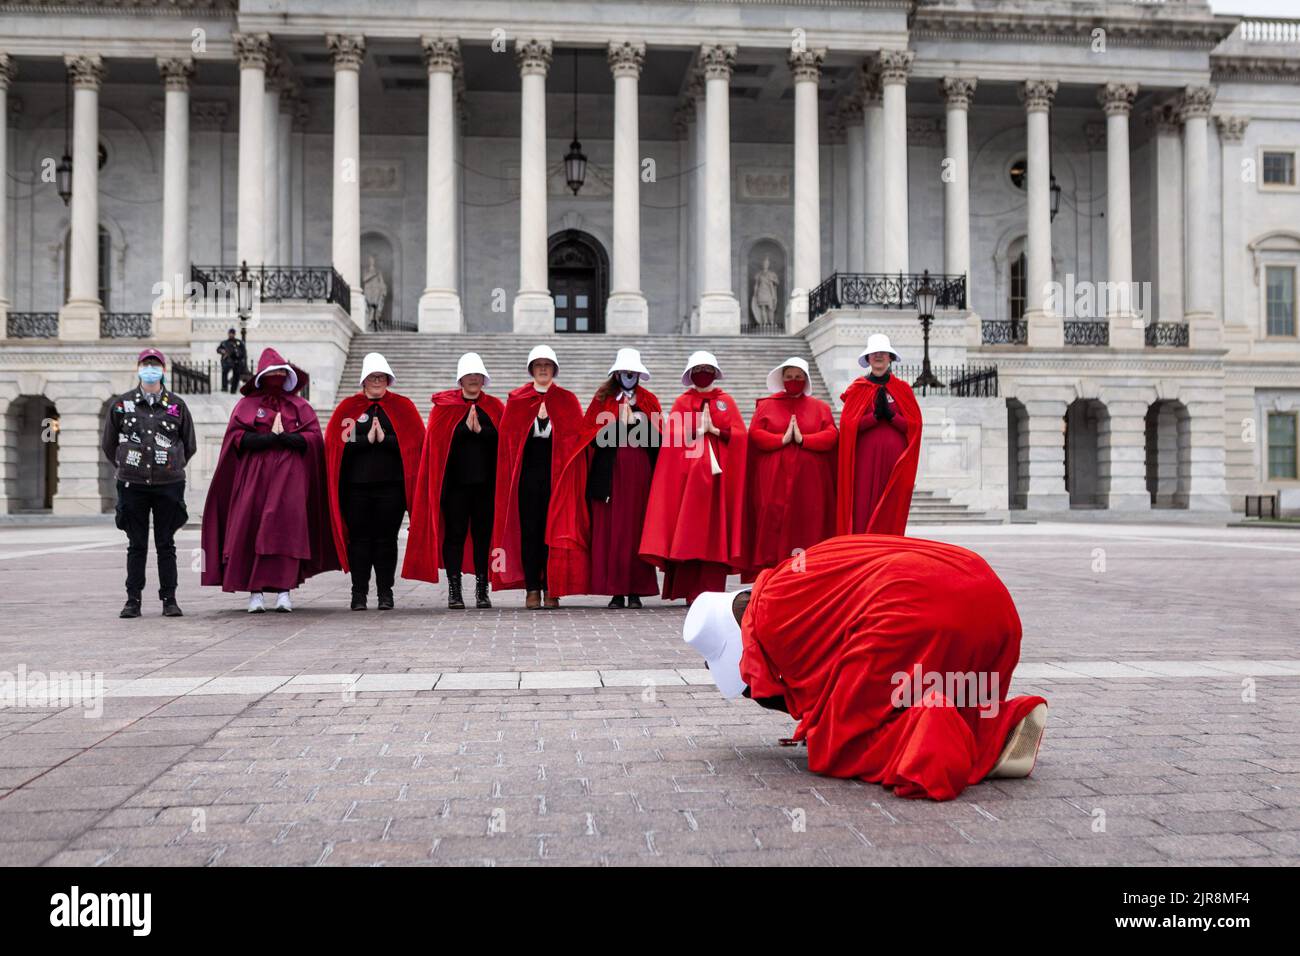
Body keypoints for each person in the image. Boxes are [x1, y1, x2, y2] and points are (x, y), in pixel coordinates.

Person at [682, 534, 1049, 801]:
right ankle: (1000, 724)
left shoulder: (770, 619)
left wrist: (822, 728)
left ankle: (935, 730)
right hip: (992, 604)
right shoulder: (788, 575)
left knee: (840, 745)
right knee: (959, 698)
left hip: (918, 612)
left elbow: (824, 697)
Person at [200, 348, 338, 612]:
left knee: (286, 532)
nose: (275, 377)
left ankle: (285, 591)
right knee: (250, 529)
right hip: (254, 480)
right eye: (271, 373)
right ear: (262, 377)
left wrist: (289, 437)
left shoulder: (300, 406)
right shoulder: (246, 406)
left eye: (279, 373)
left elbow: (313, 440)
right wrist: (262, 439)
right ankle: (256, 593)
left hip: (290, 481)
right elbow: (235, 438)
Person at [551, 347, 662, 609]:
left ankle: (636, 590)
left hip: (638, 471)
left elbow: (658, 440)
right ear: (616, 373)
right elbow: (590, 437)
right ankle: (616, 591)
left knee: (635, 528)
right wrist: (615, 425)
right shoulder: (603, 399)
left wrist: (639, 422)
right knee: (612, 529)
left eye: (633, 372)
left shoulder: (649, 400)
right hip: (609, 473)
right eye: (625, 372)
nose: (629, 375)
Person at [639, 350, 747, 604]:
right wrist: (698, 430)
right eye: (698, 370)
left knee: (716, 533)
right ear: (690, 374)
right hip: (689, 484)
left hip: (718, 482)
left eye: (708, 370)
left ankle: (712, 590)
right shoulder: (682, 402)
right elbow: (673, 437)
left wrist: (717, 431)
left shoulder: (726, 401)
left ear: (715, 373)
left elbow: (741, 435)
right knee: (689, 532)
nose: (703, 375)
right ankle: (690, 591)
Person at [403, 352, 504, 610]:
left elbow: (505, 444)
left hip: (486, 487)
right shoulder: (444, 409)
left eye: (477, 375)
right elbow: (437, 444)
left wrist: (482, 432)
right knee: (455, 536)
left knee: (483, 537)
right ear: (460, 379)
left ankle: (483, 589)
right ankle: (454, 589)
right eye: (468, 375)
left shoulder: (494, 408)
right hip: (455, 487)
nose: (473, 379)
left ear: (483, 379)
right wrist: (461, 430)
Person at [101, 348, 197, 618]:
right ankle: (133, 600)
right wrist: (125, 466)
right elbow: (109, 444)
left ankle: (170, 599)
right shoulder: (122, 405)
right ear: (139, 368)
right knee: (136, 544)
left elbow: (189, 444)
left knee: (166, 543)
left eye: (155, 365)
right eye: (146, 364)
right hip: (133, 484)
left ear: (163, 370)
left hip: (168, 484)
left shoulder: (177, 405)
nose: (150, 369)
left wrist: (172, 465)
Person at [325, 353, 424, 611]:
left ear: (388, 379)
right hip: (355, 489)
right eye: (372, 377)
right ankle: (358, 594)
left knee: (386, 540)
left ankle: (385, 593)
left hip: (391, 488)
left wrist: (386, 439)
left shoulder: (403, 407)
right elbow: (338, 443)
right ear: (364, 380)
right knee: (359, 541)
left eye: (381, 377)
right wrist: (365, 439)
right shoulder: (349, 408)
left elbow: (415, 444)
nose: (377, 380)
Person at [491, 345, 585, 609]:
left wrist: (551, 425)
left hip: (558, 481)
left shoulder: (566, 400)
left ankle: (551, 588)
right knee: (530, 534)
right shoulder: (518, 400)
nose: (543, 369)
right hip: (527, 481)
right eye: (538, 365)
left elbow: (576, 442)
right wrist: (536, 424)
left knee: (553, 534)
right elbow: (509, 443)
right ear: (532, 369)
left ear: (554, 369)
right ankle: (532, 587)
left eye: (547, 365)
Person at [741, 356, 837, 579]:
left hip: (810, 481)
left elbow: (831, 435)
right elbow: (755, 434)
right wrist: (781, 440)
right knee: (772, 521)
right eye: (789, 377)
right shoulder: (766, 406)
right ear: (782, 379)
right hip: (773, 480)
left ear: (806, 380)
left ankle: (807, 571)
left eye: (798, 377)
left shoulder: (820, 407)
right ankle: (771, 572)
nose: (794, 380)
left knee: (808, 522)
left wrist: (804, 439)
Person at [836, 333, 922, 536]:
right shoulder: (858, 389)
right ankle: (863, 547)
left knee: (890, 502)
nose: (878, 356)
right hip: (864, 460)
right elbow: (849, 427)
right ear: (867, 359)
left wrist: (892, 416)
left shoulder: (902, 389)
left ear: (890, 357)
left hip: (894, 460)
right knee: (863, 502)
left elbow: (914, 426)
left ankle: (887, 546)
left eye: (883, 353)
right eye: (874, 353)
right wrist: (874, 417)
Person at [216, 328, 247, 394]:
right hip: (228, 361)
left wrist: (241, 357)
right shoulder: (224, 343)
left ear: (234, 334)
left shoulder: (238, 342)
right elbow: (218, 349)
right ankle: (224, 387)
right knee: (225, 372)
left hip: (236, 361)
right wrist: (222, 351)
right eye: (230, 333)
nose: (231, 335)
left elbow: (243, 352)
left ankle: (233, 390)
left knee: (236, 375)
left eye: (232, 333)